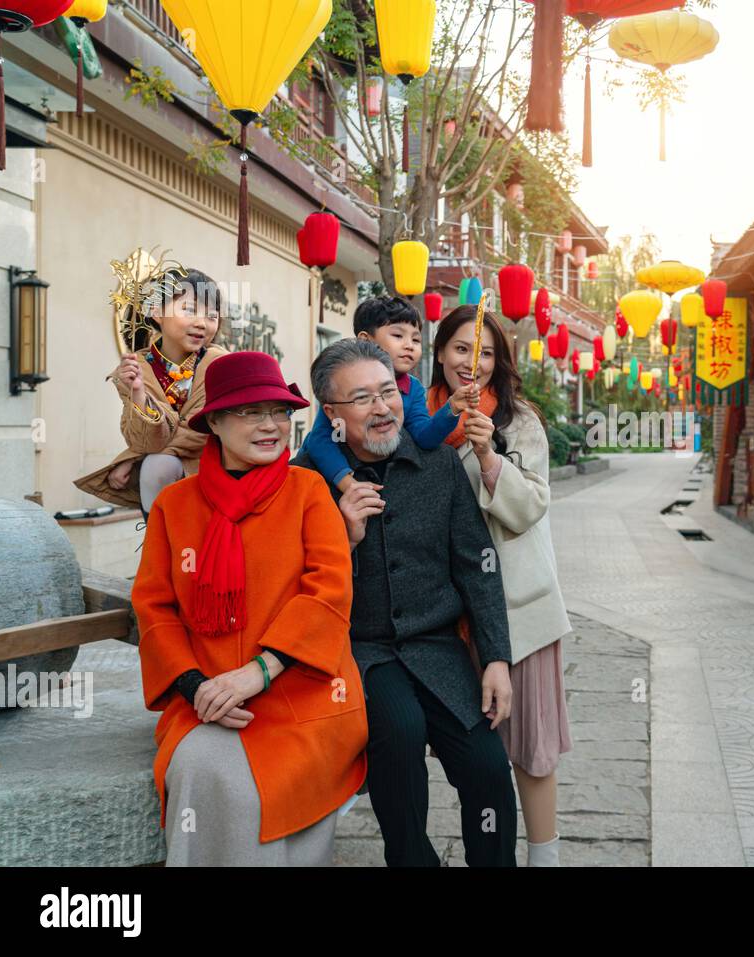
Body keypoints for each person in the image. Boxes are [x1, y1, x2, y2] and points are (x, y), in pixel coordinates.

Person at [131, 351, 368, 866]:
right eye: (250, 412)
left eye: (279, 413)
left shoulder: (308, 491)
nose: (270, 426)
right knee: (201, 766)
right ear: (214, 421)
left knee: (266, 783)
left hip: (301, 690)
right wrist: (194, 686)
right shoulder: (175, 504)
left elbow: (328, 590)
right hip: (210, 696)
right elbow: (155, 607)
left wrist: (259, 672)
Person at [292, 337, 518, 867]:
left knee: (487, 767)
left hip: (437, 648)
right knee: (399, 731)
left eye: (389, 393)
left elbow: (476, 564)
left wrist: (497, 658)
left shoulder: (437, 464)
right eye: (363, 398)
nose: (382, 409)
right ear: (332, 414)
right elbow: (296, 584)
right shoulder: (307, 480)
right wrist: (341, 534)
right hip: (362, 651)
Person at [427, 305, 573, 867]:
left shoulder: (518, 421)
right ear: (441, 354)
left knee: (531, 749)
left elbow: (532, 505)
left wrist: (489, 453)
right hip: (448, 616)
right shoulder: (421, 421)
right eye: (462, 349)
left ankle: (544, 858)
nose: (474, 362)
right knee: (476, 754)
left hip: (520, 612)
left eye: (486, 352)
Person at [75, 268, 229, 516]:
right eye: (189, 310)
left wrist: (133, 457)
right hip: (166, 478)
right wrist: (137, 394)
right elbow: (146, 440)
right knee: (158, 465)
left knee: (157, 460)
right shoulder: (136, 369)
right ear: (156, 311)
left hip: (216, 468)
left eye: (211, 316)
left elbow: (202, 431)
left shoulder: (222, 365)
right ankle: (159, 541)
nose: (202, 323)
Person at [298, 294, 474, 492]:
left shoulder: (413, 388)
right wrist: (346, 482)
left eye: (415, 339)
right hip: (328, 477)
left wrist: (451, 409)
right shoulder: (341, 390)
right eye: (398, 336)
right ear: (365, 340)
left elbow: (424, 436)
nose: (409, 345)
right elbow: (322, 440)